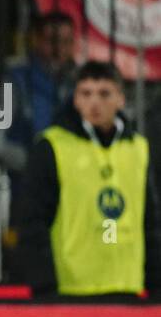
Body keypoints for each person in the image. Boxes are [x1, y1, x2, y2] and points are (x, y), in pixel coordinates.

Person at [17, 60, 161, 300]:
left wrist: (156, 284)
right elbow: (33, 221)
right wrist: (44, 286)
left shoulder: (138, 149)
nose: (95, 102)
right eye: (86, 93)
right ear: (75, 100)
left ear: (121, 99)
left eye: (105, 94)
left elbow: (151, 223)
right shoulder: (52, 147)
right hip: (71, 289)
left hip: (126, 286)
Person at [0, 12, 77, 276]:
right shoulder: (13, 82)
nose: (59, 50)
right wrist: (37, 163)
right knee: (29, 272)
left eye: (66, 42)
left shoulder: (80, 82)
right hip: (26, 196)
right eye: (52, 40)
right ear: (36, 41)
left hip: (75, 197)